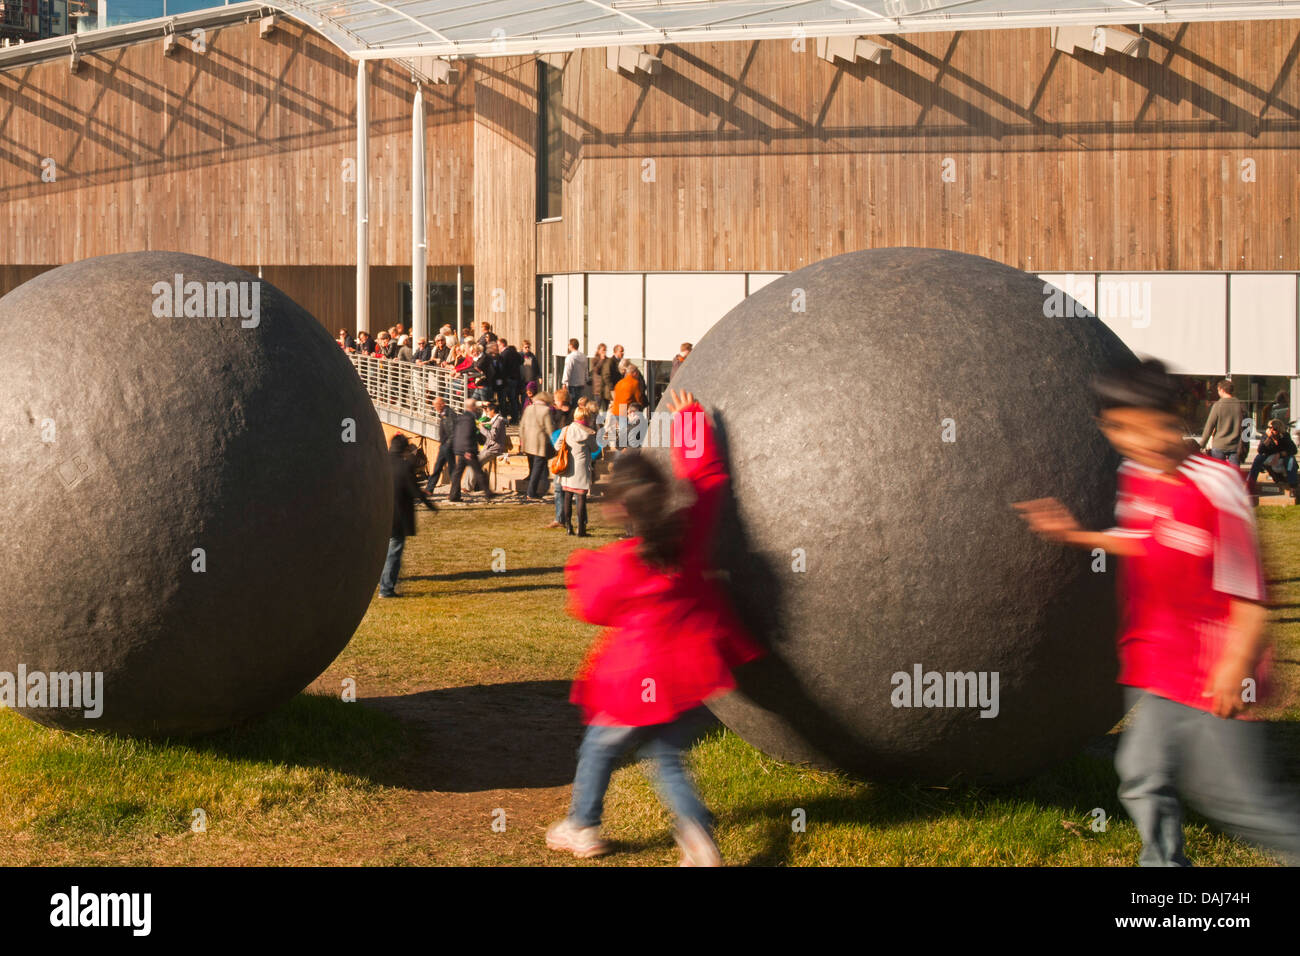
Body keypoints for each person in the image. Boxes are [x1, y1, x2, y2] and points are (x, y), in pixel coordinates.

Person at [1015, 358, 1300, 867]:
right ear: (1110, 429)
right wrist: (1076, 536)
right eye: (1126, 431)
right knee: (1142, 776)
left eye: (1157, 429)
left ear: (1177, 418)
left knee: (1238, 804)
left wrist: (1236, 667)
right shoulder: (1135, 476)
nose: (1144, 444)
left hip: (1215, 674)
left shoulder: (1218, 485)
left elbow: (1249, 592)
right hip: (1160, 666)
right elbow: (1143, 539)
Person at [546, 389, 765, 865]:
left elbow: (591, 606)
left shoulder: (622, 562)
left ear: (618, 509)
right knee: (666, 757)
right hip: (687, 676)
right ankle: (697, 837)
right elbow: (708, 477)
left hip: (632, 685)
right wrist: (688, 419)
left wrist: (581, 568)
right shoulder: (691, 529)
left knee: (600, 747)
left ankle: (582, 825)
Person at [380, 434, 436, 598]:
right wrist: (430, 505)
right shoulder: (404, 467)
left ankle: (383, 584)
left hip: (381, 516)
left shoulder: (381, 464)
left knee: (385, 552)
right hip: (398, 517)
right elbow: (415, 491)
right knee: (394, 553)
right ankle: (386, 588)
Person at [558, 406, 599, 536]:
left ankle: (569, 527)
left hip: (567, 466)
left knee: (567, 497)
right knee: (581, 498)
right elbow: (594, 449)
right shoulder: (588, 433)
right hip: (581, 468)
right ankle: (581, 529)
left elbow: (557, 445)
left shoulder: (566, 429)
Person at [447, 399, 494, 503]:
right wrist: (468, 450)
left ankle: (453, 495)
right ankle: (488, 493)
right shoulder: (469, 419)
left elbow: (457, 433)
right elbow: (467, 434)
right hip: (468, 451)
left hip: (460, 449)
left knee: (457, 474)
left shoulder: (461, 417)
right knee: (478, 472)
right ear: (473, 407)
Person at [1199, 378, 1246, 466]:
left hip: (1219, 445)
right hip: (1236, 445)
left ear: (1221, 390)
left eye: (1218, 390)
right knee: (1234, 474)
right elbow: (1248, 426)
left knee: (1218, 472)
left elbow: (1209, 426)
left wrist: (1202, 444)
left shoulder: (1218, 405)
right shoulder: (1241, 405)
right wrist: (1246, 445)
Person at [1246, 418, 1299, 497]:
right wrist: (1268, 438)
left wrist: (1279, 455)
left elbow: (1293, 450)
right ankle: (1250, 485)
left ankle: (1293, 487)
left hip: (1282, 459)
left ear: (1279, 429)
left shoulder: (1285, 436)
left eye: (1274, 428)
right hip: (1269, 458)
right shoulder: (1266, 436)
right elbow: (1260, 450)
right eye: (1269, 427)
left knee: (1291, 460)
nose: (1271, 430)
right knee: (1258, 458)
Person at [521, 388, 554, 501]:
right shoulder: (546, 410)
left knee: (539, 465)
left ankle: (544, 486)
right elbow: (549, 428)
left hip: (528, 442)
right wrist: (554, 441)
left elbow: (522, 426)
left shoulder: (528, 408)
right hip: (540, 442)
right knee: (538, 467)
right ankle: (531, 492)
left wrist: (522, 440)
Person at [424, 397, 457, 494]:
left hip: (448, 446)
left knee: (452, 470)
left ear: (442, 404)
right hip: (444, 445)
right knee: (437, 467)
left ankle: (455, 493)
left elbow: (453, 432)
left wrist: (447, 444)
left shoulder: (449, 414)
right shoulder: (443, 413)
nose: (435, 408)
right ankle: (429, 489)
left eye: (436, 406)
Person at [498, 338, 522, 423]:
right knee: (513, 400)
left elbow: (501, 368)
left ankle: (504, 418)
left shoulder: (503, 355)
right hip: (515, 380)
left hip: (506, 380)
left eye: (498, 345)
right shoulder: (515, 353)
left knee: (503, 400)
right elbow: (521, 361)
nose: (498, 347)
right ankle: (515, 418)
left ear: (502, 345)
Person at [589, 344, 613, 412]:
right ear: (598, 351)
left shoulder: (608, 360)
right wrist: (601, 360)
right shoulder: (595, 360)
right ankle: (595, 421)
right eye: (603, 350)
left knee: (606, 407)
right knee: (597, 407)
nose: (604, 352)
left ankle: (605, 421)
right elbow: (596, 370)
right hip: (598, 388)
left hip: (606, 388)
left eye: (605, 350)